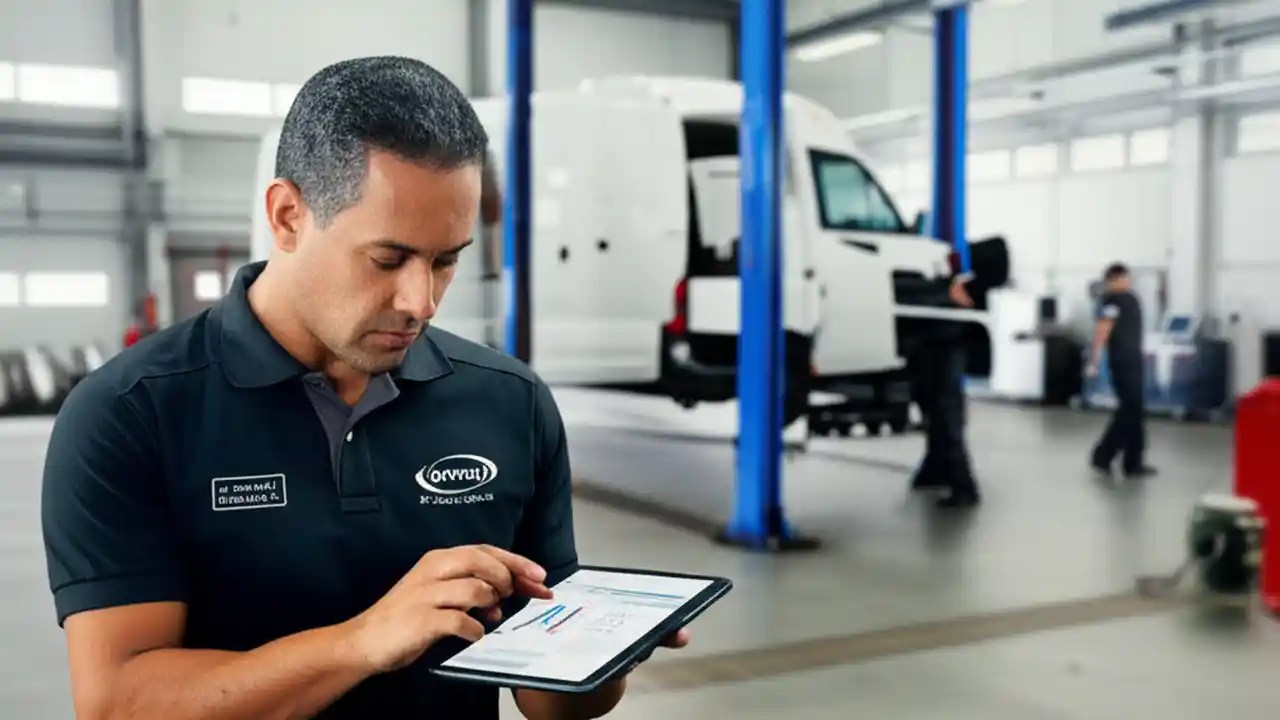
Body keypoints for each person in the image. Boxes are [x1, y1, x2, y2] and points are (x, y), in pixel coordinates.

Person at [40, 56, 684, 720]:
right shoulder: (130, 414)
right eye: (389, 258)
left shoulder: (510, 404)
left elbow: (548, 705)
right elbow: (118, 704)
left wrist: (601, 656)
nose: (423, 300)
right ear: (288, 216)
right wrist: (363, 642)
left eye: (447, 260)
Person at [1088, 262, 1157, 478]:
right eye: (1123, 278)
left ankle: (1130, 461)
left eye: (1128, 278)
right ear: (1113, 280)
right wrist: (1094, 360)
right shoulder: (1111, 301)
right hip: (1122, 361)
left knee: (1133, 410)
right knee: (1130, 409)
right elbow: (1102, 330)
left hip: (1134, 359)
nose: (1127, 281)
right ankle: (1106, 456)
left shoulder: (1131, 298)